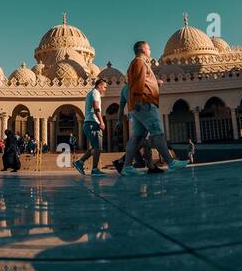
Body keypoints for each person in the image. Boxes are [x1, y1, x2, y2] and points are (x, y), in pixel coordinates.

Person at [119, 40, 188, 176]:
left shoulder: (136, 63)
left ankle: (126, 167)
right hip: (144, 103)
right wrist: (139, 99)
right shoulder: (139, 62)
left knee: (137, 137)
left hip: (138, 105)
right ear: (143, 49)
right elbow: (138, 82)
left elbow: (140, 81)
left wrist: (155, 84)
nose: (150, 50)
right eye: (149, 48)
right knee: (157, 133)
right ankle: (171, 163)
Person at [74, 78, 107, 176]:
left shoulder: (92, 93)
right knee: (98, 148)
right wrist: (101, 122)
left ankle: (80, 162)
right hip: (93, 123)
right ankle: (95, 169)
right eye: (104, 87)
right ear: (99, 86)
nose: (105, 89)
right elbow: (96, 108)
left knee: (96, 147)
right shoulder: (95, 93)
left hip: (89, 123)